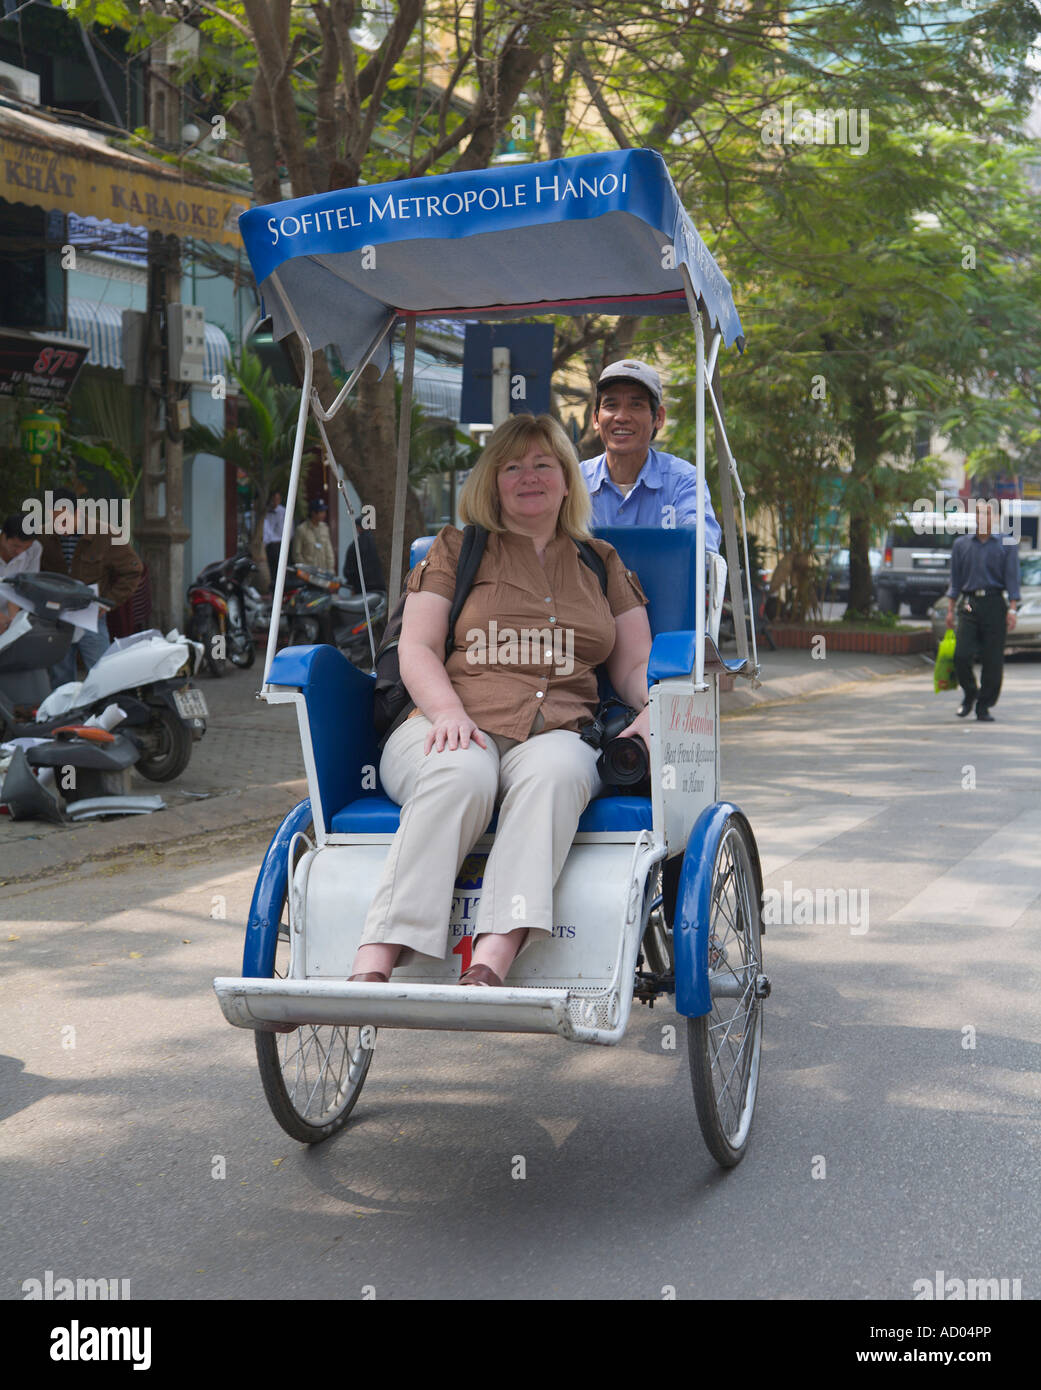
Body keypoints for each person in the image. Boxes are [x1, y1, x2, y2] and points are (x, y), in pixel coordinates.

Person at [348, 413, 652, 988]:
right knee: (461, 773)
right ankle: (375, 961)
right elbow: (416, 646)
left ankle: (492, 956)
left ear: (567, 480)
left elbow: (634, 665)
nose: (528, 477)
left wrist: (655, 708)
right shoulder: (456, 548)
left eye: (543, 465)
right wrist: (448, 713)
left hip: (560, 729)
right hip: (447, 720)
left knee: (559, 775)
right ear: (492, 483)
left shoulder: (600, 561)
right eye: (512, 467)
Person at [580, 359, 722, 550]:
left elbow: (701, 551)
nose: (621, 417)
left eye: (636, 405)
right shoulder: (574, 481)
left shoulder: (684, 481)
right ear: (596, 418)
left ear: (659, 418)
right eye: (611, 405)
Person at [39, 487, 144, 683]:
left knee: (102, 675)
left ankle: (106, 711)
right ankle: (66, 713)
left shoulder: (105, 534)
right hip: (57, 618)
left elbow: (133, 570)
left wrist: (107, 602)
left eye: (64, 521)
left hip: (92, 617)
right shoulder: (44, 537)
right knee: (60, 679)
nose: (60, 527)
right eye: (54, 521)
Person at [946, 499, 1020, 722]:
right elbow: (955, 580)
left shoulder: (1007, 543)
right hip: (969, 603)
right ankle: (970, 694)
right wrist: (950, 609)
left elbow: (1012, 579)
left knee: (992, 659)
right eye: (979, 514)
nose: (983, 519)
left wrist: (1013, 609)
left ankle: (984, 706)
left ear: (995, 518)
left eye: (988, 514)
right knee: (961, 655)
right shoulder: (961, 544)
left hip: (995, 603)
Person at [0, 513, 43, 634]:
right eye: (15, 546)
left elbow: (22, 586)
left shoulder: (35, 549)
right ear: (3, 535)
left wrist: (13, 621)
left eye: (26, 547)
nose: (20, 552)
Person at [292, 496, 335, 571]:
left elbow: (329, 550)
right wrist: (306, 569)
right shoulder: (301, 529)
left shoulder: (325, 528)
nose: (324, 514)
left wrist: (330, 569)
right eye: (321, 512)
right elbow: (296, 554)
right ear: (313, 513)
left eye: (324, 511)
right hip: (307, 574)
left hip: (323, 572)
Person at [343, 523, 386, 593]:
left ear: (358, 527)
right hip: (379, 587)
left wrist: (352, 583)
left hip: (361, 589)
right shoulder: (377, 542)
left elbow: (349, 570)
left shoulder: (355, 545)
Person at [263, 489, 286, 591]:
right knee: (270, 570)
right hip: (267, 545)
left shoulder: (284, 511)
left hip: (279, 544)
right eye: (273, 499)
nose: (275, 501)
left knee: (279, 570)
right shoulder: (265, 512)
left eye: (277, 499)